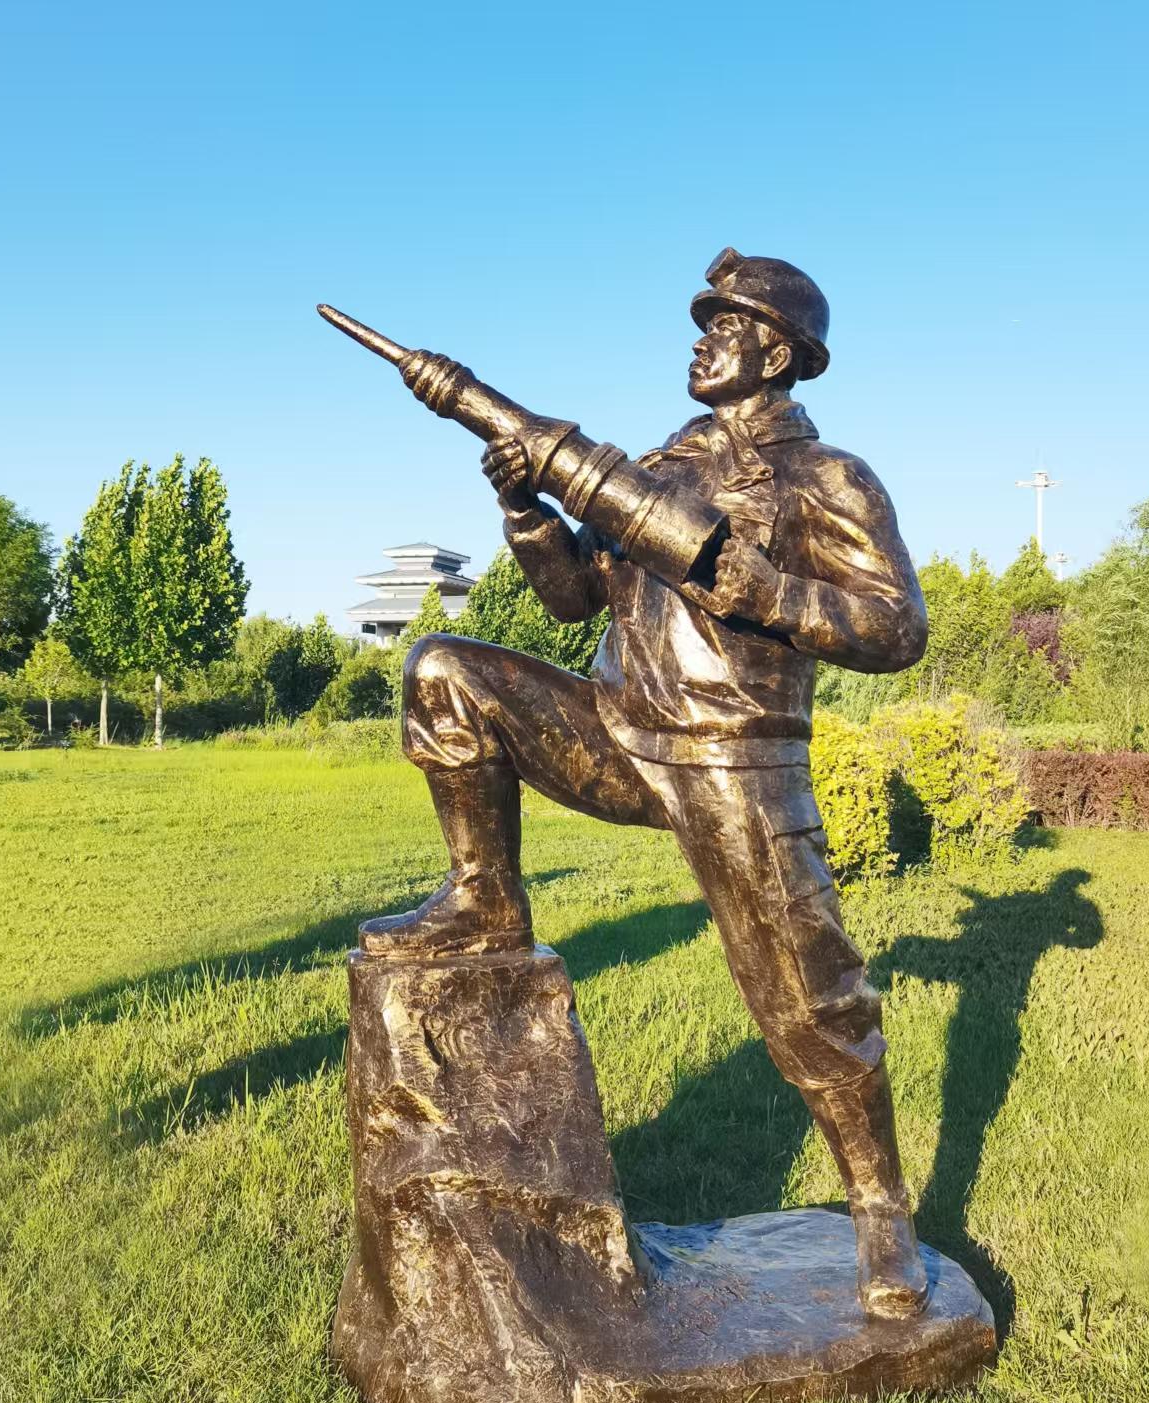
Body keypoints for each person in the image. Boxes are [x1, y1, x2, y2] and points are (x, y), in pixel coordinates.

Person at [361, 248, 930, 1317]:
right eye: (703, 324)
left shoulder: (827, 479)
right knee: (442, 670)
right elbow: (574, 598)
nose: (702, 340)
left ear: (777, 353)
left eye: (725, 325)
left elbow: (896, 628)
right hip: (617, 728)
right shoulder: (660, 467)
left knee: (806, 1000)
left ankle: (878, 1207)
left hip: (732, 755)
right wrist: (526, 510)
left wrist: (767, 590)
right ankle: (486, 894)